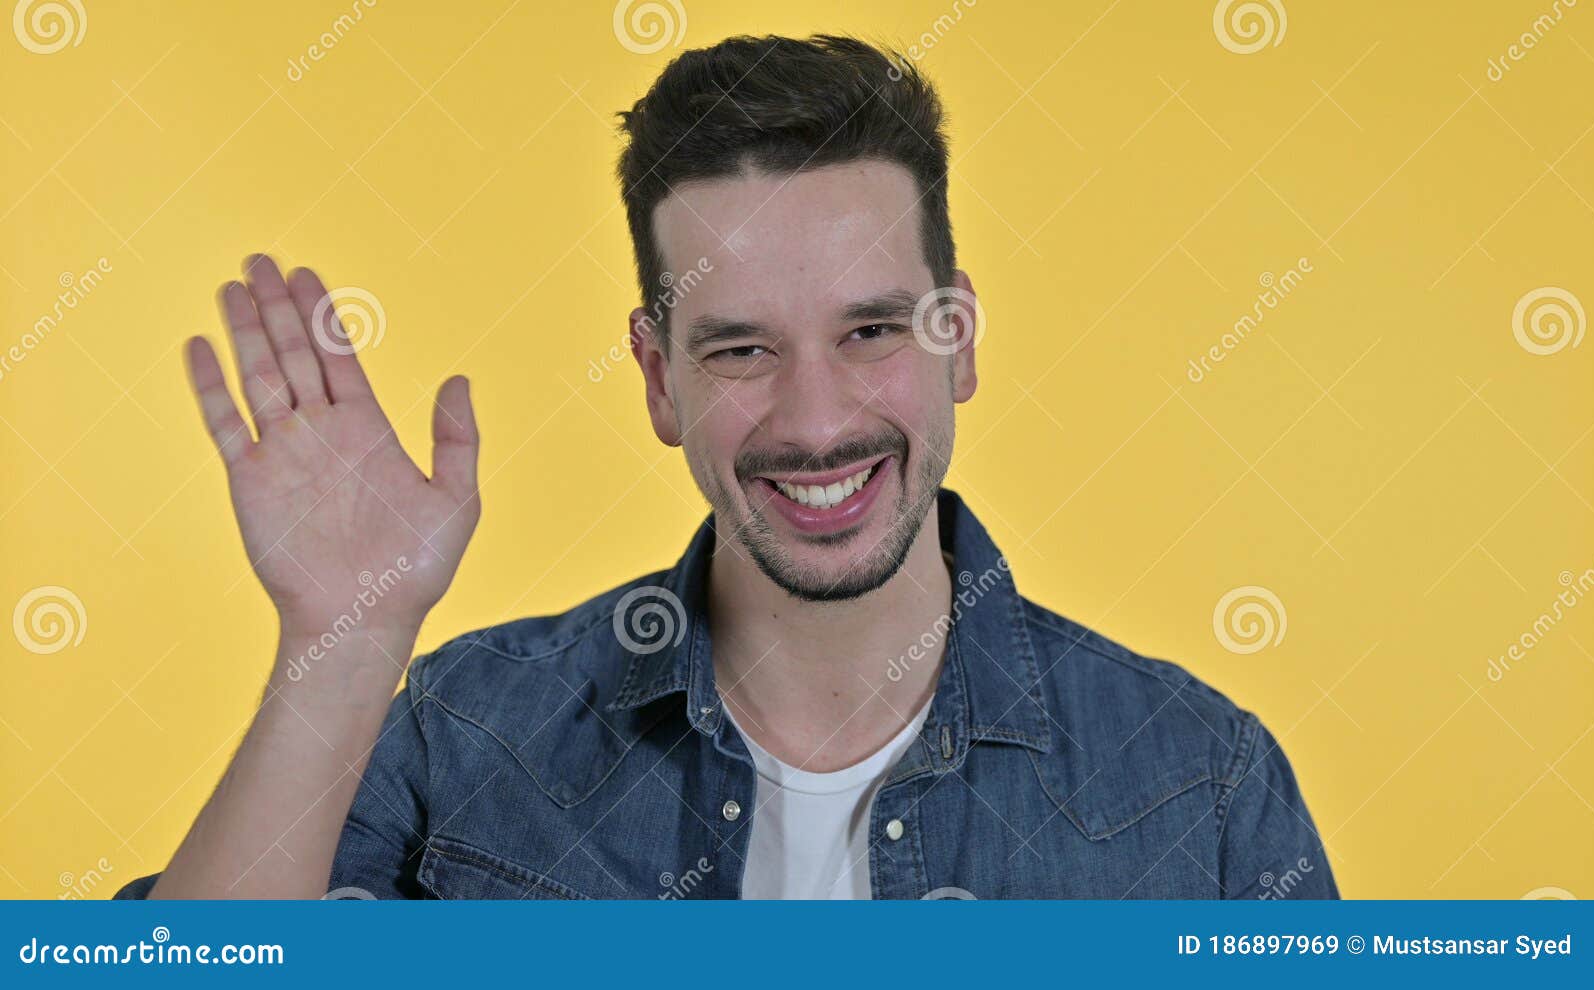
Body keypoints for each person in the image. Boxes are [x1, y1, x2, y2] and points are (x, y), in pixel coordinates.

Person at [117, 35, 1335, 900]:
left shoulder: (1200, 787)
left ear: (956, 338)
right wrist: (345, 637)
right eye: (741, 346)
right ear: (658, 377)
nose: (815, 421)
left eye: (868, 331)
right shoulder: (465, 737)